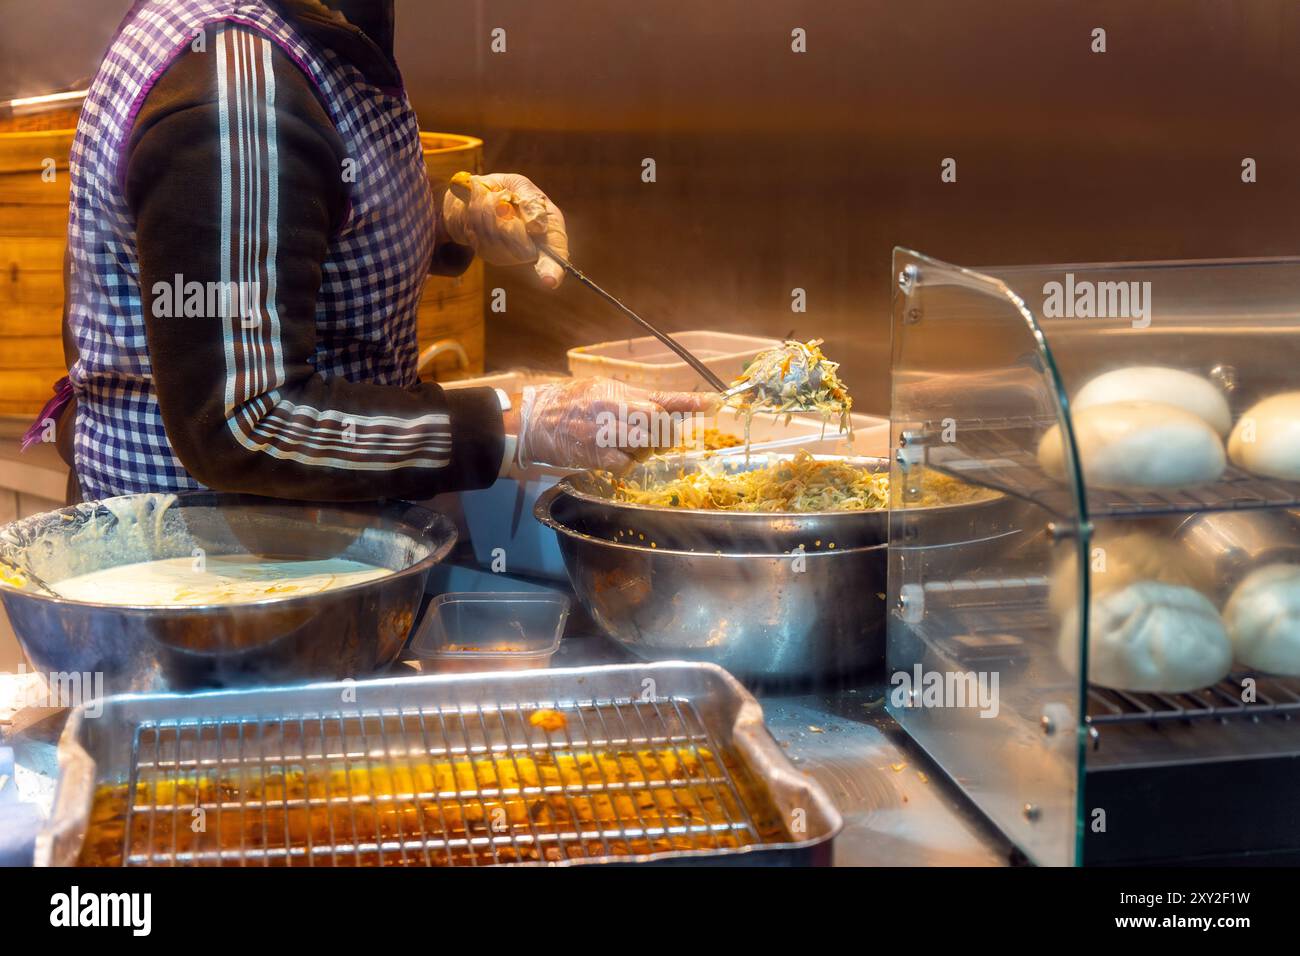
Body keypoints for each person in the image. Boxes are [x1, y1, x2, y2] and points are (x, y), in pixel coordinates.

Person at [44, 0, 714, 504]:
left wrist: (449, 219)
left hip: (300, 554)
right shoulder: (235, 92)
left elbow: (292, 212)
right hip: (212, 590)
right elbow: (244, 420)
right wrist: (518, 427)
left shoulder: (314, 21)